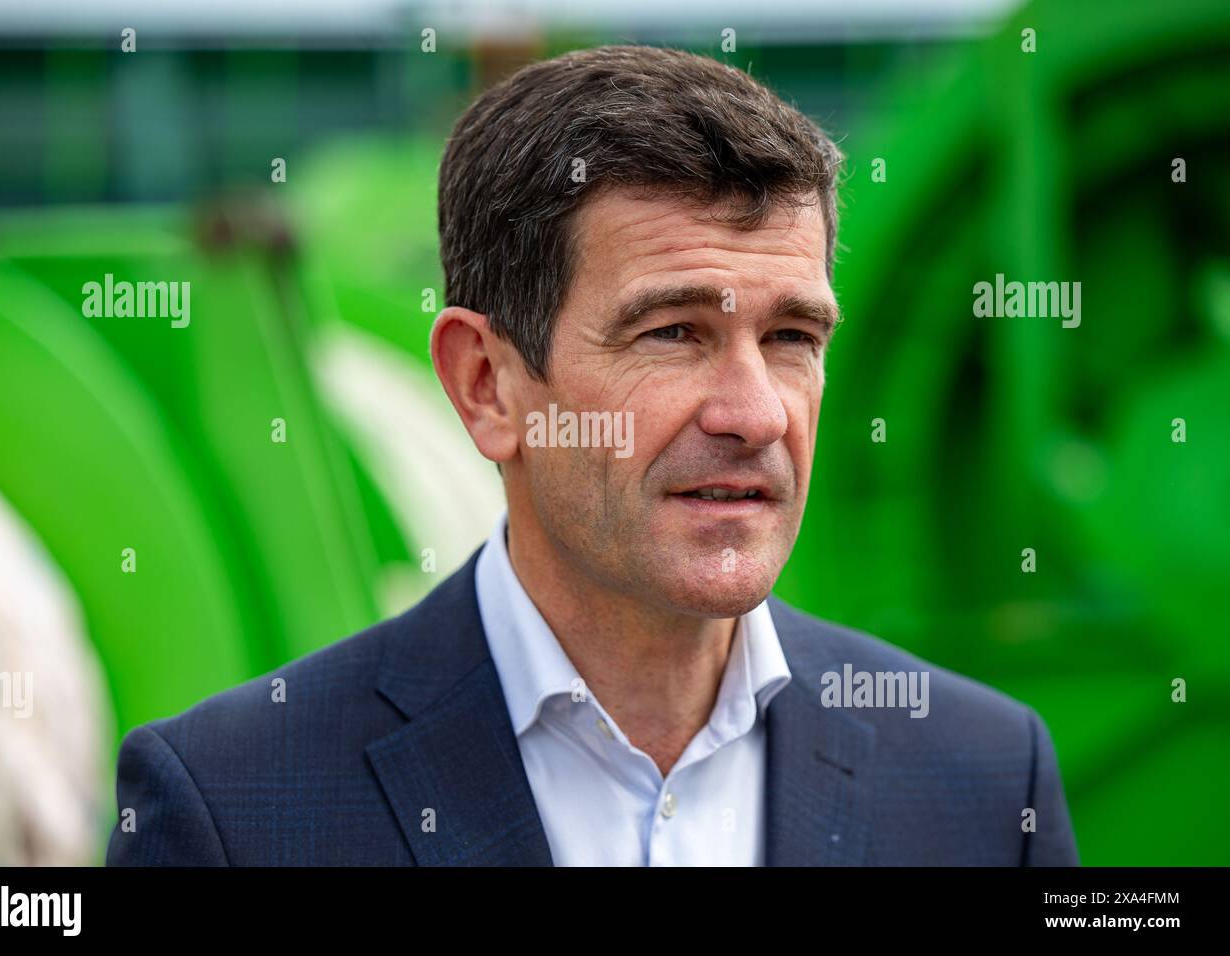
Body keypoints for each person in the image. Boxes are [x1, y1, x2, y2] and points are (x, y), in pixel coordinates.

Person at [108, 44, 1078, 866]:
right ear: (486, 384)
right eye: (671, 333)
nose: (755, 414)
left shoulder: (985, 783)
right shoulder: (231, 810)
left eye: (791, 337)